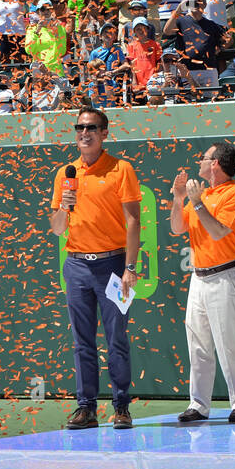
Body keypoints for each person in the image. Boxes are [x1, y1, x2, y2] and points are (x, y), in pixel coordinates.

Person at [50, 107, 142, 430]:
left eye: (91, 128)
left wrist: (130, 267)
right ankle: (86, 407)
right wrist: (65, 204)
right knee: (82, 340)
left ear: (105, 133)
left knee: (116, 338)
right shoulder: (66, 174)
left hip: (114, 265)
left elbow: (133, 222)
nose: (84, 133)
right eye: (79, 127)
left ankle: (121, 406)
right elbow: (58, 228)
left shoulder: (121, 169)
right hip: (75, 266)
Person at [169, 141, 235, 423]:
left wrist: (196, 202)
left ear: (215, 163)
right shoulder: (202, 194)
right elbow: (176, 227)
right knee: (198, 344)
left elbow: (218, 232)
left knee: (231, 343)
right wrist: (179, 198)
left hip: (225, 276)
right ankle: (198, 404)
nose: (201, 162)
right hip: (199, 277)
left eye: (204, 158)